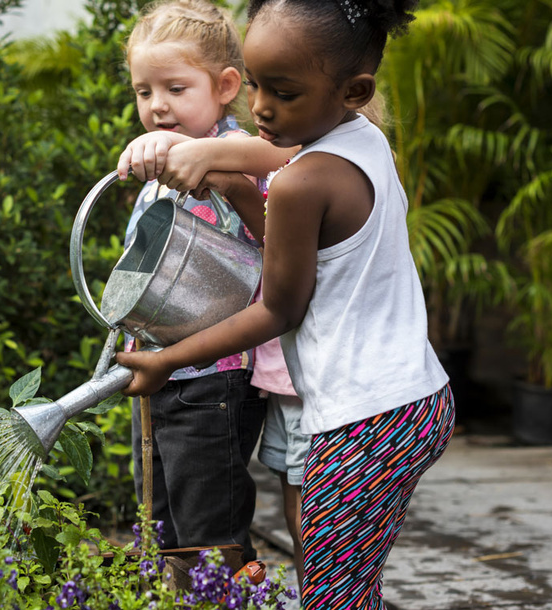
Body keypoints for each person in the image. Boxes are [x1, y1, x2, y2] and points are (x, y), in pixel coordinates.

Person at [115, 1, 456, 608]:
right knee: (351, 588)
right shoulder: (364, 140)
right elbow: (283, 217)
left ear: (354, 91)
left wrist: (169, 361)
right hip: (416, 398)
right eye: (255, 84)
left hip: (362, 421)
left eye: (284, 92)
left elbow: (278, 309)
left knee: (333, 597)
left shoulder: (301, 181)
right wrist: (222, 169)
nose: (262, 108)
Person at [120, 0, 266, 564]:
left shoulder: (240, 153)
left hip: (213, 381)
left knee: (210, 531)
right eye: (144, 91)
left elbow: (270, 162)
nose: (157, 105)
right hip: (159, 375)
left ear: (225, 86)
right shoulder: (157, 175)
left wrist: (191, 152)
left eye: (175, 88)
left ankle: (227, 597)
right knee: (156, 523)